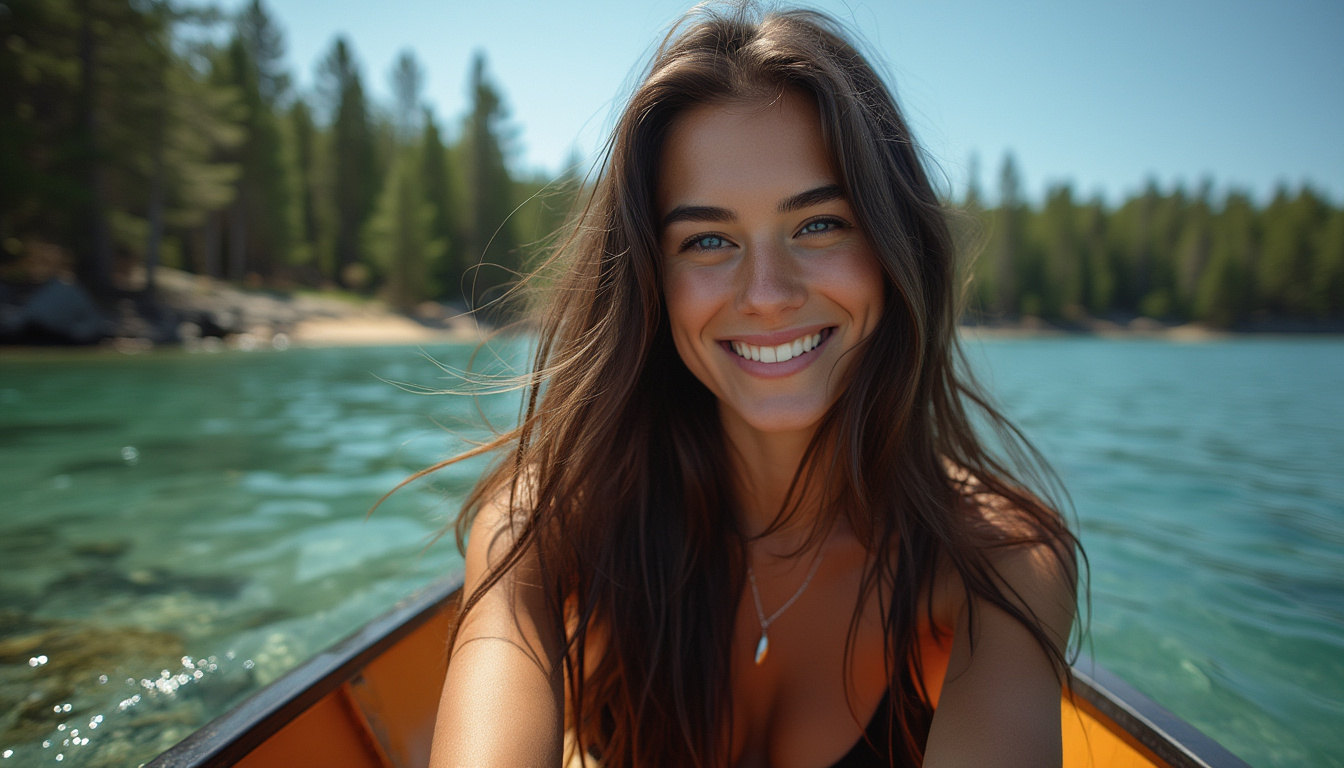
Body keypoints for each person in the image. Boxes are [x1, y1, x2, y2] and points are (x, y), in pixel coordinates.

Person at [424, 5, 1081, 766]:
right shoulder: (546, 528)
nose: (766, 293)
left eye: (820, 225)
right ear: (649, 282)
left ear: (894, 246)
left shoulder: (997, 564)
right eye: (708, 240)